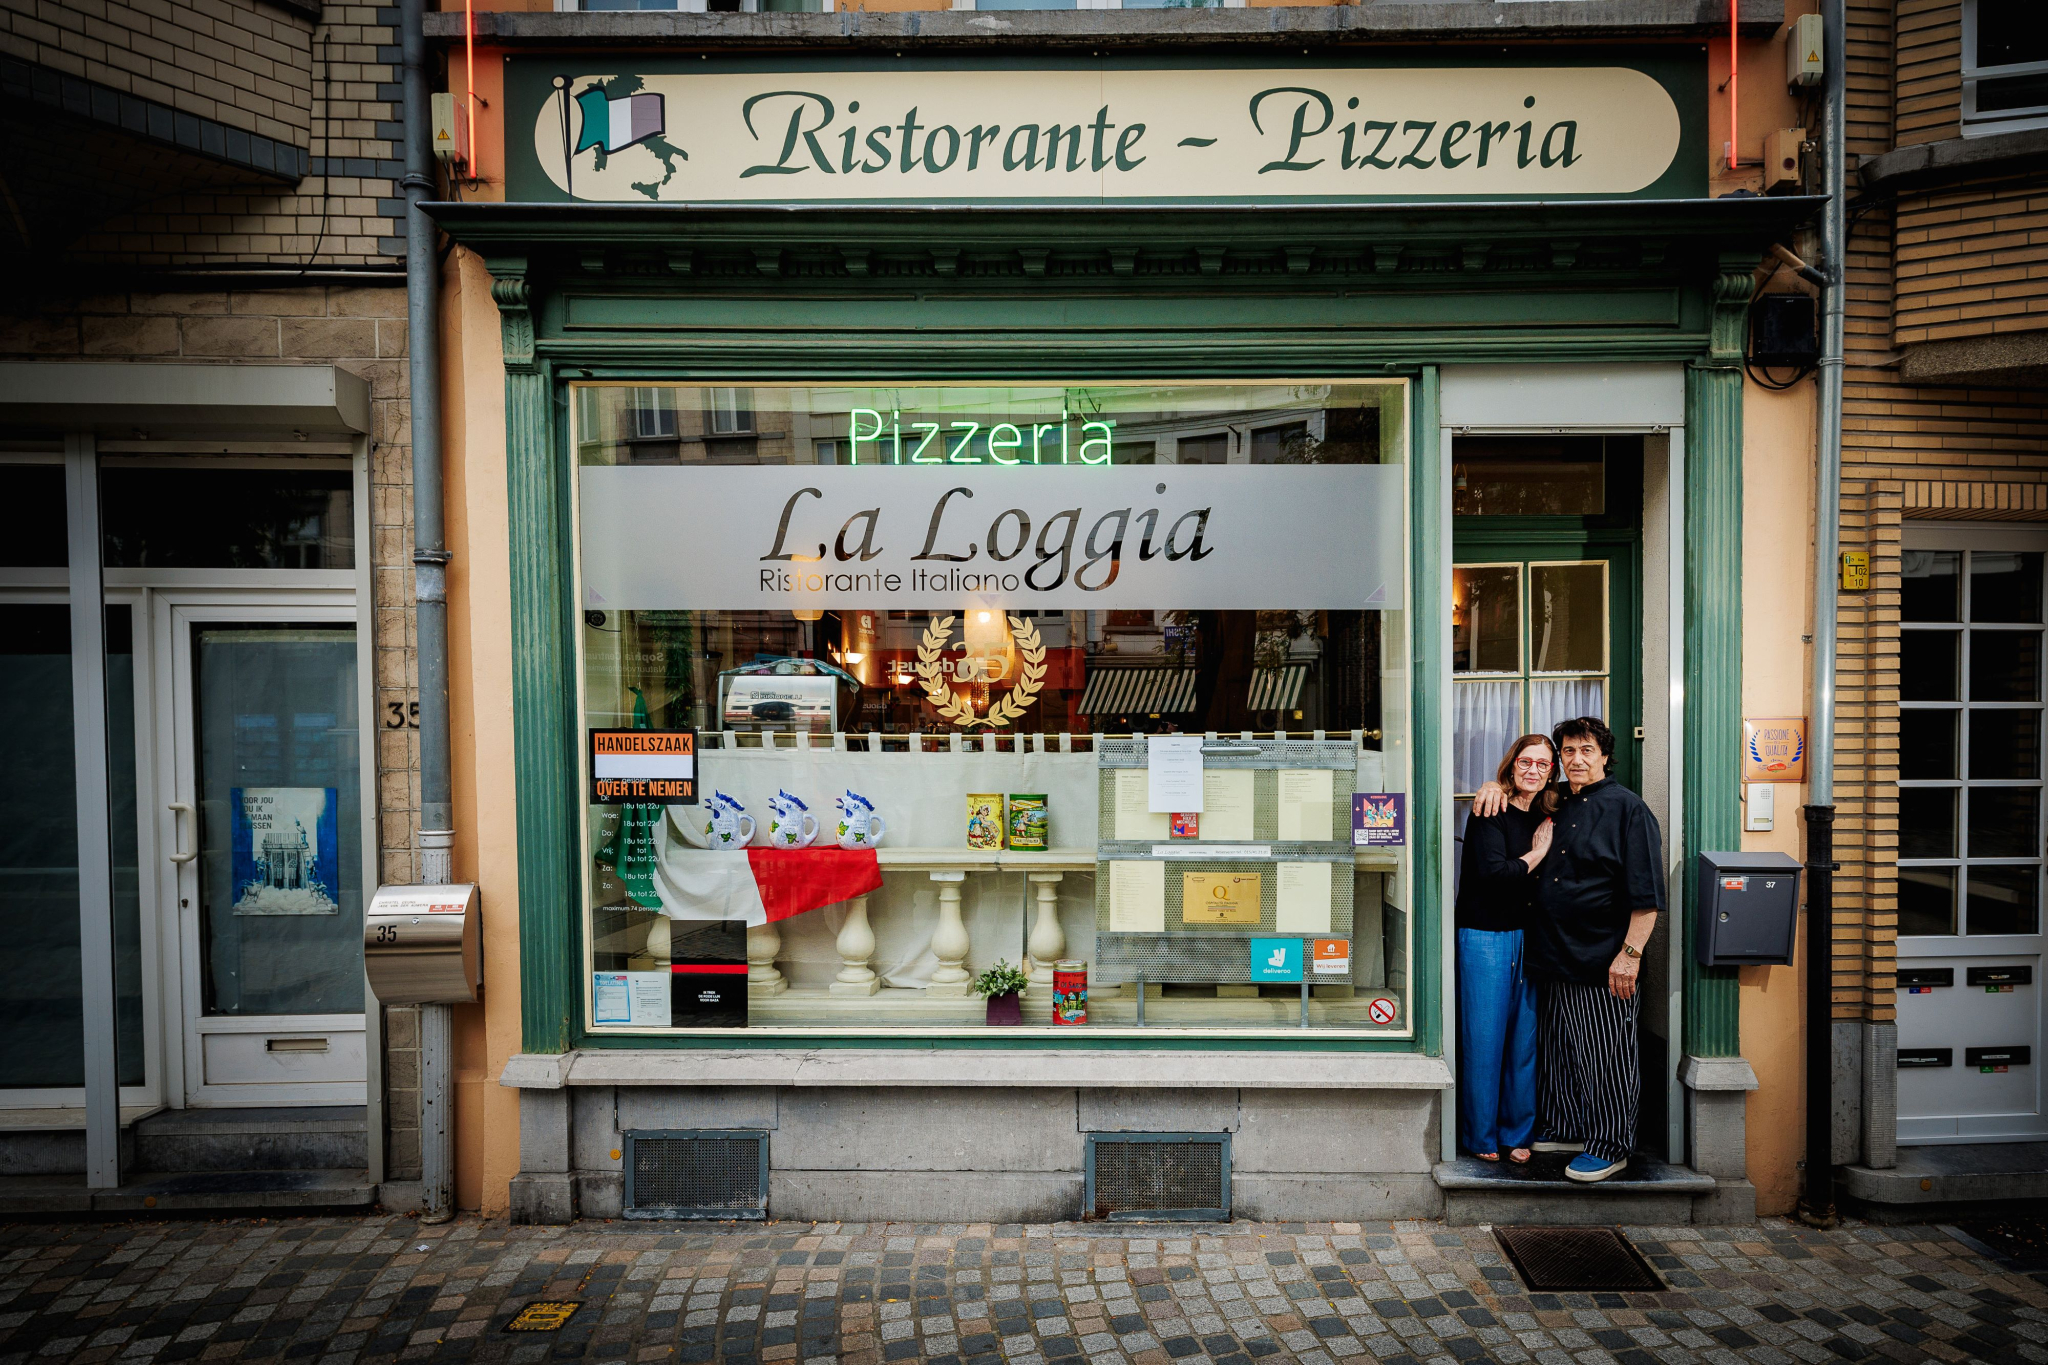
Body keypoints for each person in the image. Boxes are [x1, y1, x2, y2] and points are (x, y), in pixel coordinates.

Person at [1472, 716, 1664, 1183]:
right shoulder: (1559, 802)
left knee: (1606, 1056)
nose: (1576, 759)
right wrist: (1491, 785)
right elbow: (1516, 793)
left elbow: (1647, 896)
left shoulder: (1628, 809)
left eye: (1586, 750)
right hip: (1551, 957)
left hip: (1602, 960)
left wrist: (1630, 955)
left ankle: (1610, 1145)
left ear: (1605, 756)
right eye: (1569, 751)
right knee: (1561, 1054)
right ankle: (1568, 1129)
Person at [1454, 735, 1557, 1165]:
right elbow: (1496, 875)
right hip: (1486, 936)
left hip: (1529, 937)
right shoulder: (1490, 810)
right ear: (1511, 765)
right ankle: (1480, 1133)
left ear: (1552, 772)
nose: (1533, 770)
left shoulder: (1550, 814)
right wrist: (1538, 853)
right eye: (1526, 762)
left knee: (1523, 1041)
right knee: (1485, 1038)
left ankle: (1517, 1133)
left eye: (1543, 764)